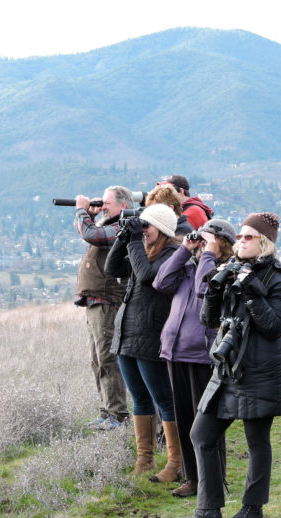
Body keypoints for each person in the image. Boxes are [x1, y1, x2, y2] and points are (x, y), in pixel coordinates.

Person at [180, 212, 281, 518]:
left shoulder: (277, 277)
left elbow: (276, 327)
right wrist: (215, 290)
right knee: (201, 434)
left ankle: (252, 508)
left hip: (259, 369)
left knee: (257, 441)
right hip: (227, 368)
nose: (240, 242)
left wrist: (254, 294)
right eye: (239, 236)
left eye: (247, 237)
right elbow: (208, 321)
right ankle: (208, 509)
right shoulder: (231, 270)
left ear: (264, 243)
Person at [152, 219, 238, 498]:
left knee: (208, 421)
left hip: (203, 354)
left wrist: (209, 254)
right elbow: (160, 281)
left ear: (221, 242)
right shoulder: (189, 265)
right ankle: (193, 478)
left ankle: (215, 480)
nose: (202, 243)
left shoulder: (224, 269)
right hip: (175, 351)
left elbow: (205, 291)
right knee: (185, 419)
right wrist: (185, 249)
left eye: (208, 239)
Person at [104, 203, 183, 482]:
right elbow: (112, 267)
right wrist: (125, 238)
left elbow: (148, 277)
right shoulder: (144, 249)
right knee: (139, 399)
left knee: (164, 399)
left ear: (161, 229)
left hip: (151, 336)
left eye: (146, 226)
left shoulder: (173, 253)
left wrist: (135, 241)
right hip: (127, 334)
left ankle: (176, 462)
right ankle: (145, 460)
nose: (143, 230)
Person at [74, 186, 133, 430]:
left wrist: (81, 211)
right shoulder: (111, 224)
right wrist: (95, 214)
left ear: (124, 206)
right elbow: (94, 232)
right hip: (95, 301)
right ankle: (106, 411)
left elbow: (91, 235)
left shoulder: (124, 227)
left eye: (108, 203)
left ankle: (117, 415)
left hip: (108, 302)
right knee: (97, 361)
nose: (104, 205)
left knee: (108, 359)